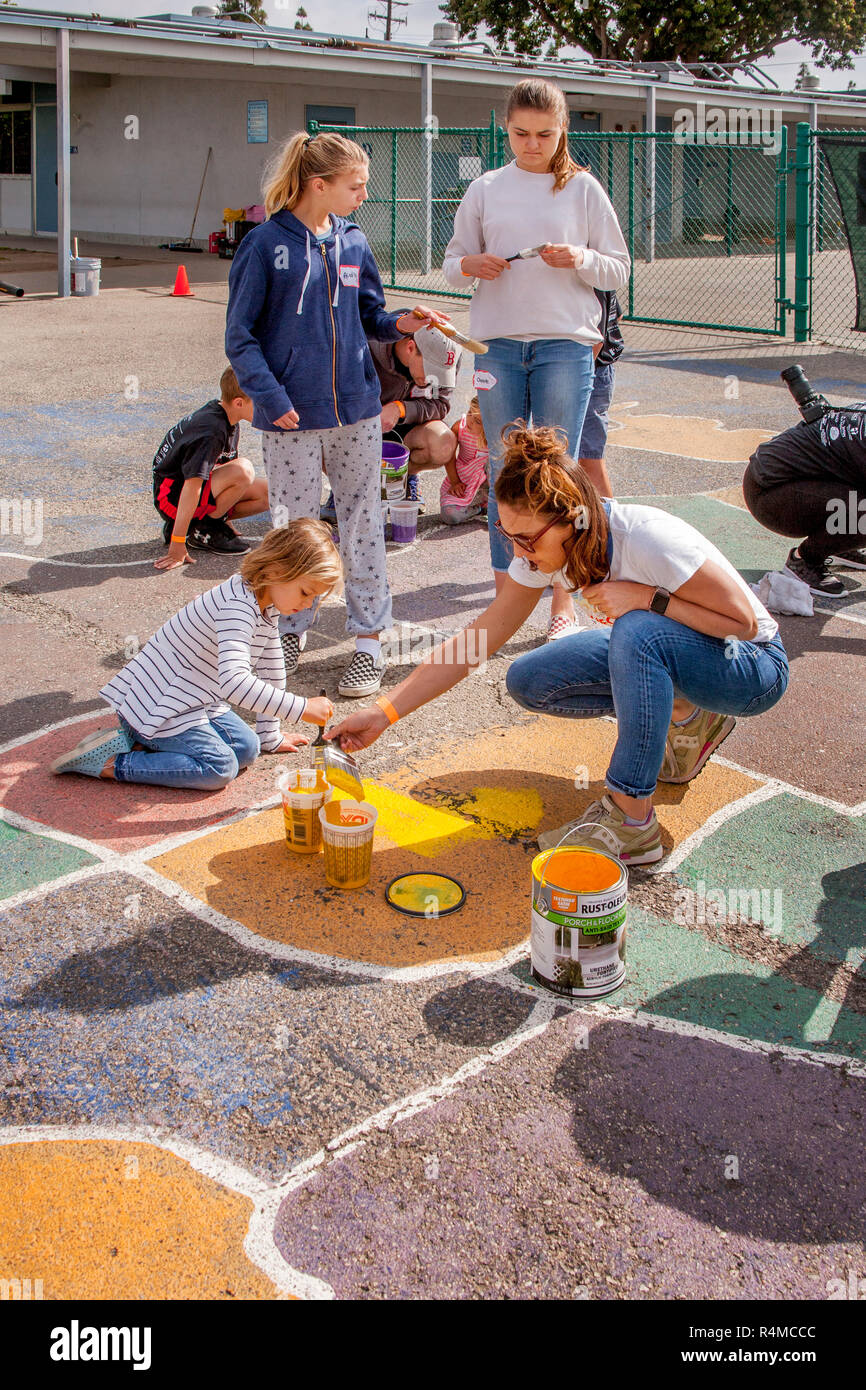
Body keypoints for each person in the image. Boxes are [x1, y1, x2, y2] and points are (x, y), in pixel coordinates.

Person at [327, 426, 789, 867]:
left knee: (638, 633)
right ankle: (690, 717)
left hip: (751, 669)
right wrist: (385, 712)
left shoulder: (646, 538)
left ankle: (632, 820)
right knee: (530, 679)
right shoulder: (546, 546)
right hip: (679, 648)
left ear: (571, 516)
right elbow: (476, 640)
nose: (519, 553)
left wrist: (649, 599)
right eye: (509, 537)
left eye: (526, 539)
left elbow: (744, 625)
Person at [225, 128, 449, 698]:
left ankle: (369, 642)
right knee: (294, 530)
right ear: (318, 184)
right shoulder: (263, 244)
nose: (363, 196)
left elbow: (371, 314)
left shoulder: (352, 241)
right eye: (356, 186)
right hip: (291, 420)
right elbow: (240, 338)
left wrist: (402, 322)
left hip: (357, 412)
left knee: (362, 521)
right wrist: (273, 399)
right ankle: (288, 630)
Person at [442, 76, 630, 594]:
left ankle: (562, 601)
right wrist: (473, 264)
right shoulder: (485, 188)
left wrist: (581, 258)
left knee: (558, 469)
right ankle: (509, 587)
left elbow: (619, 269)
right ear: (506, 129)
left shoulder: (584, 188)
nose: (532, 145)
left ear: (562, 130)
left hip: (564, 345)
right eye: (522, 133)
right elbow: (452, 265)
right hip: (496, 345)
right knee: (504, 466)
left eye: (544, 135)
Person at [51, 522, 339, 790]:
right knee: (219, 768)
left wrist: (270, 737)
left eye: (313, 598)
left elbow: (271, 668)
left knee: (247, 748)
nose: (306, 605)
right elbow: (235, 683)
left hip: (193, 702)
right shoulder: (237, 609)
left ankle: (144, 745)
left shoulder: (264, 601)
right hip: (160, 708)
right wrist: (301, 707)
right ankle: (113, 763)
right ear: (276, 569)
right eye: (305, 592)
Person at [322, 325, 461, 519]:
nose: (433, 380)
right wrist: (370, 415)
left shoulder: (448, 351)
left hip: (410, 432)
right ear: (410, 348)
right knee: (320, 437)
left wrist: (400, 409)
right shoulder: (367, 347)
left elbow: (440, 404)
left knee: (443, 442)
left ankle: (403, 479)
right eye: (430, 370)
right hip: (360, 426)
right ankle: (344, 487)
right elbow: (336, 397)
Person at [549, 287, 624, 639]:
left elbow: (607, 320)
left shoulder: (587, 259)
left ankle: (613, 549)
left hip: (588, 365)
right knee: (570, 462)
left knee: (587, 461)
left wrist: (582, 371)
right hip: (554, 362)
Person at [743, 404, 866, 596]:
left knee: (858, 510)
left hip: (802, 482)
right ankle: (804, 560)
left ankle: (840, 545)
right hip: (769, 494)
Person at [152, 366, 268, 568]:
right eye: (260, 402)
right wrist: (177, 544)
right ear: (239, 403)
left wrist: (225, 520)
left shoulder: (229, 416)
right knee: (243, 470)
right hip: (172, 499)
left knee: (270, 494)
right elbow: (192, 485)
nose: (266, 406)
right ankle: (200, 530)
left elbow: (224, 466)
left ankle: (203, 525)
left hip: (187, 491)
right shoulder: (211, 431)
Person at [439, 396, 489, 526]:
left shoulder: (493, 438)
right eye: (470, 413)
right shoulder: (459, 427)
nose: (470, 421)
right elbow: (448, 456)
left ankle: (493, 505)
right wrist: (455, 482)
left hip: (487, 486)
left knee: (491, 463)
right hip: (465, 482)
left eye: (477, 421)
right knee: (449, 515)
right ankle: (478, 508)